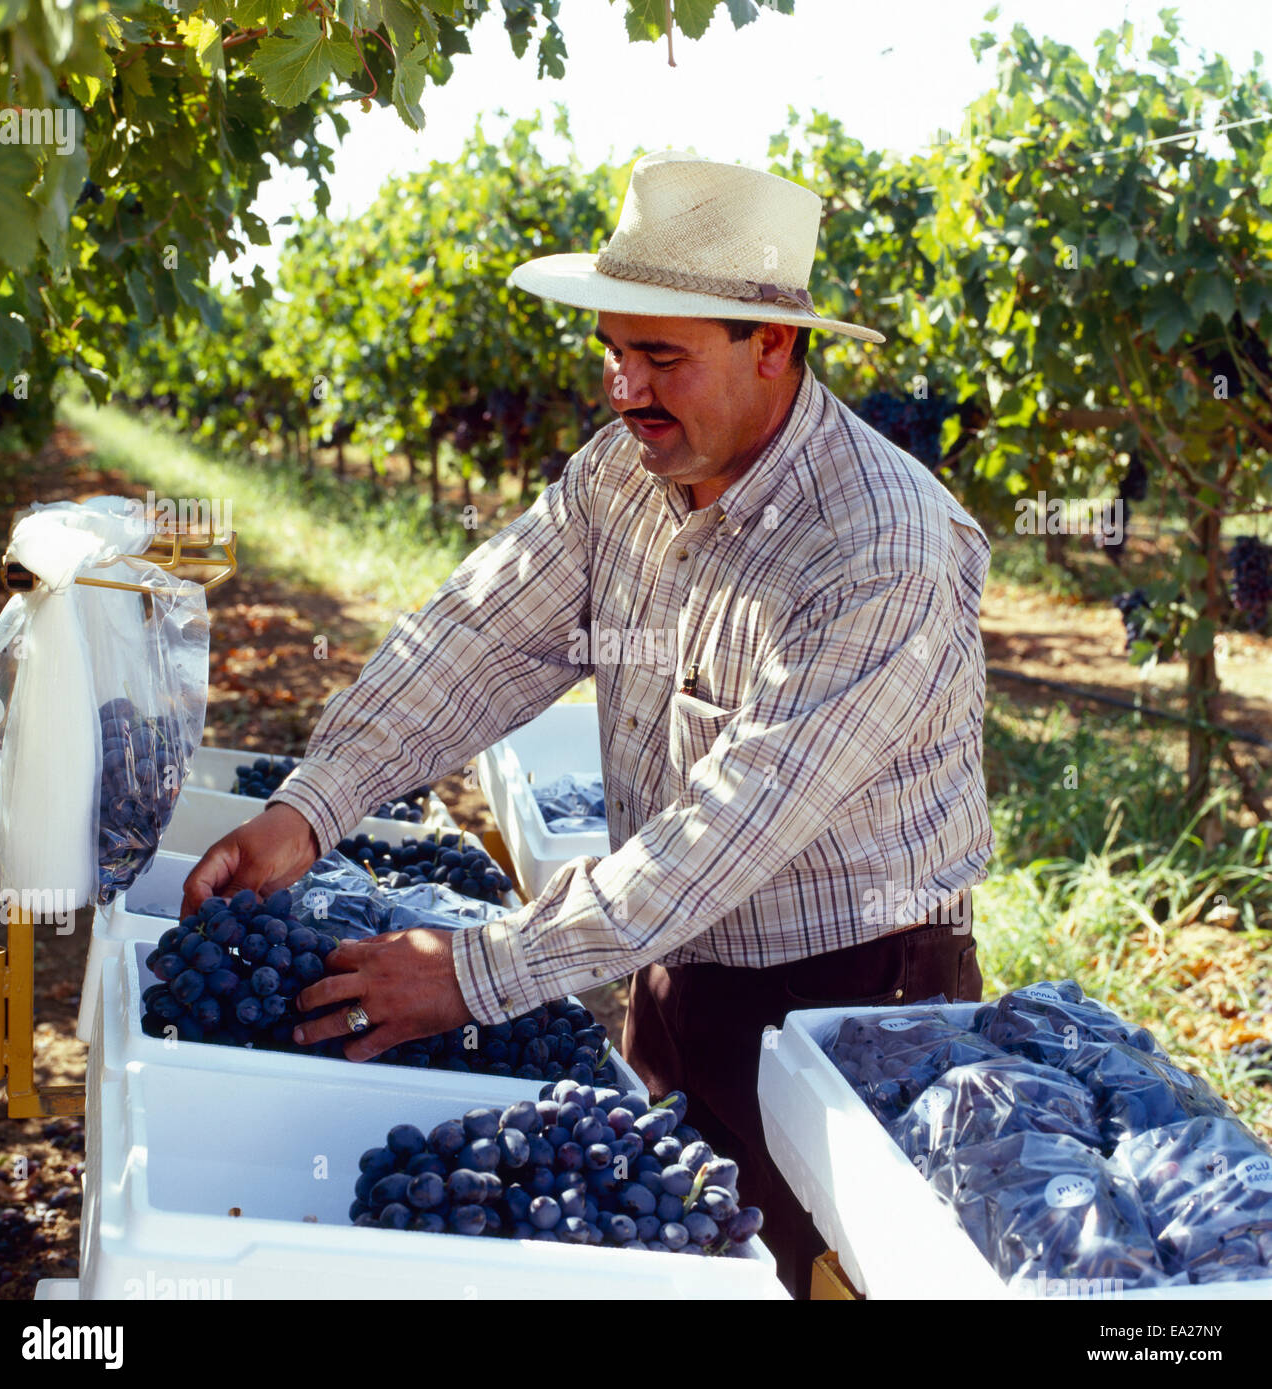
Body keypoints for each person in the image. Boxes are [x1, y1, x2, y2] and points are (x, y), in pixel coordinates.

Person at [181, 150, 995, 1297]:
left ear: (773, 347)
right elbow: (474, 640)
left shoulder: (879, 548)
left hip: (858, 1000)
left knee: (799, 1279)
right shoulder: (623, 473)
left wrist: (477, 970)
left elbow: (730, 827)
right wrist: (311, 808)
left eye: (661, 356)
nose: (625, 390)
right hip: (671, 956)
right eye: (614, 352)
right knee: (659, 1257)